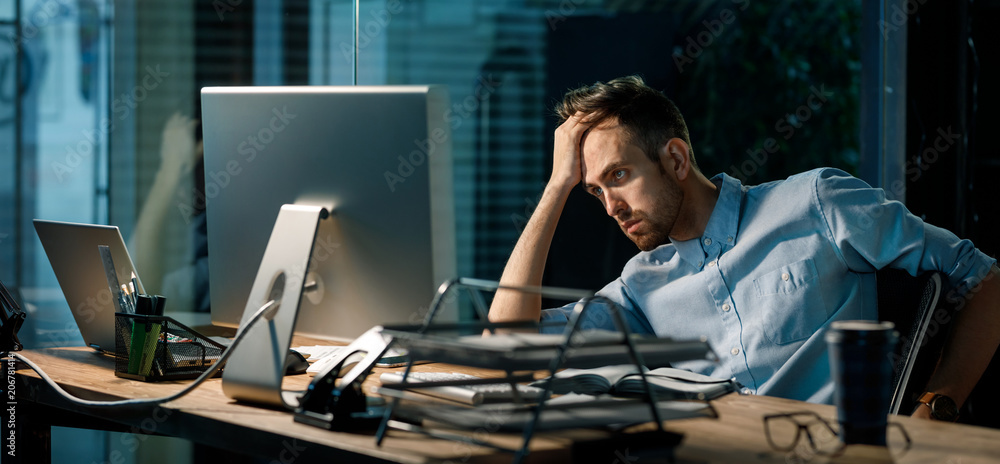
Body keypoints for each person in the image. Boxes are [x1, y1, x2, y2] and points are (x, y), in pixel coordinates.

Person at [487, 75, 1000, 420]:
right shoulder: (641, 286)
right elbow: (506, 343)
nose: (610, 207)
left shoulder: (817, 202)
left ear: (676, 159)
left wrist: (939, 405)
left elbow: (983, 277)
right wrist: (557, 186)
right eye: (595, 190)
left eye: (619, 176)